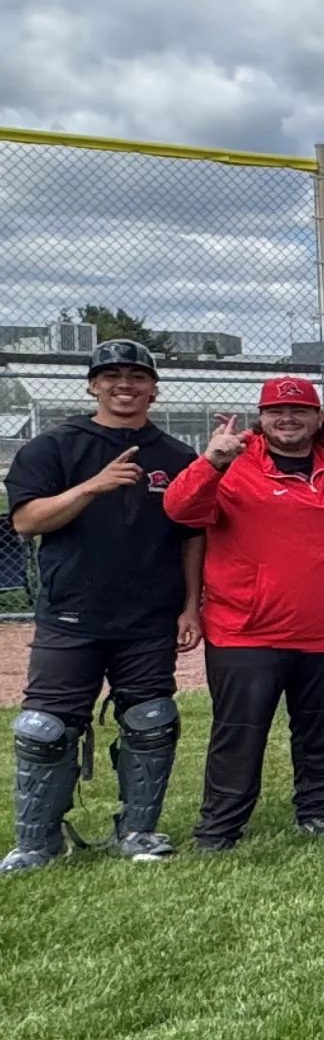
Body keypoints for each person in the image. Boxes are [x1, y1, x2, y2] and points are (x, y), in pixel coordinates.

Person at [2, 338, 200, 871]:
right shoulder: (56, 447)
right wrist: (92, 486)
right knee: (45, 727)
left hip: (148, 614)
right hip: (72, 612)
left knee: (151, 719)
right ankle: (37, 842)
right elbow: (26, 521)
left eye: (137, 376)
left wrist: (190, 606)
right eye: (111, 375)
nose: (124, 384)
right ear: (92, 384)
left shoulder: (177, 456)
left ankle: (138, 830)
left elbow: (191, 535)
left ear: (154, 389)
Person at [165, 379, 324, 847]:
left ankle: (319, 809)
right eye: (276, 410)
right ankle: (220, 824)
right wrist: (212, 461)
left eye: (299, 409)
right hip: (246, 630)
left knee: (322, 728)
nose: (287, 418)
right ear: (261, 416)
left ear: (318, 418)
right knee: (239, 732)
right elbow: (178, 509)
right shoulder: (233, 463)